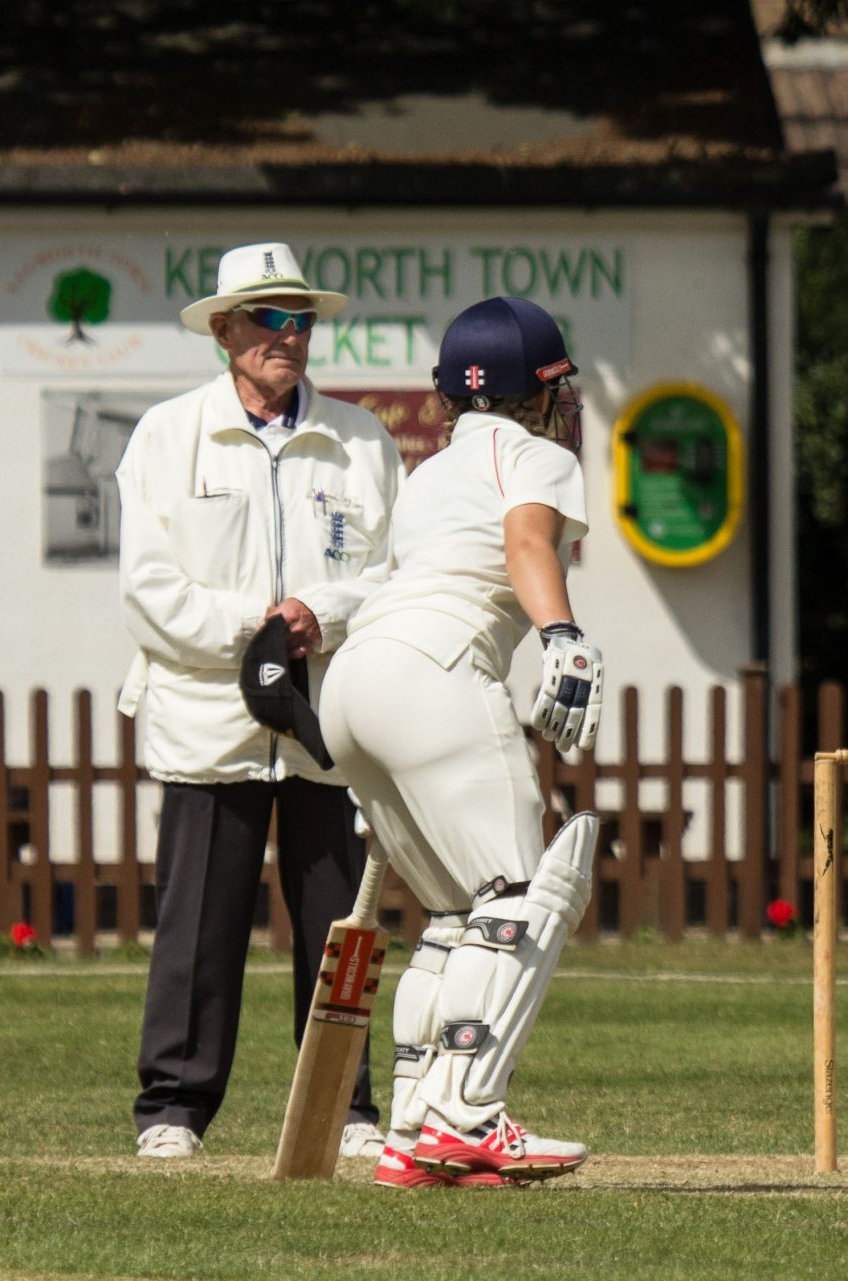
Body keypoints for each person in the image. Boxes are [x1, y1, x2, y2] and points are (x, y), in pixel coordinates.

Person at [117, 242, 403, 1160]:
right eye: (271, 320)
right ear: (227, 331)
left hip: (330, 720)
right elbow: (149, 590)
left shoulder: (362, 439)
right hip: (208, 719)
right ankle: (173, 1108)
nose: (290, 335)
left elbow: (394, 573)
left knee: (338, 924)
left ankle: (349, 1106)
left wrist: (320, 612)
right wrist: (260, 626)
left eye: (302, 319)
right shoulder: (166, 435)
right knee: (199, 923)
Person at [318, 296, 605, 1190]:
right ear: (547, 391)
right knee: (527, 892)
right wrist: (561, 634)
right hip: (437, 671)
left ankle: (413, 1127)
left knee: (451, 914)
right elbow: (527, 542)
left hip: (356, 680)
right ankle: (468, 1114)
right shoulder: (537, 453)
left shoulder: (431, 471)